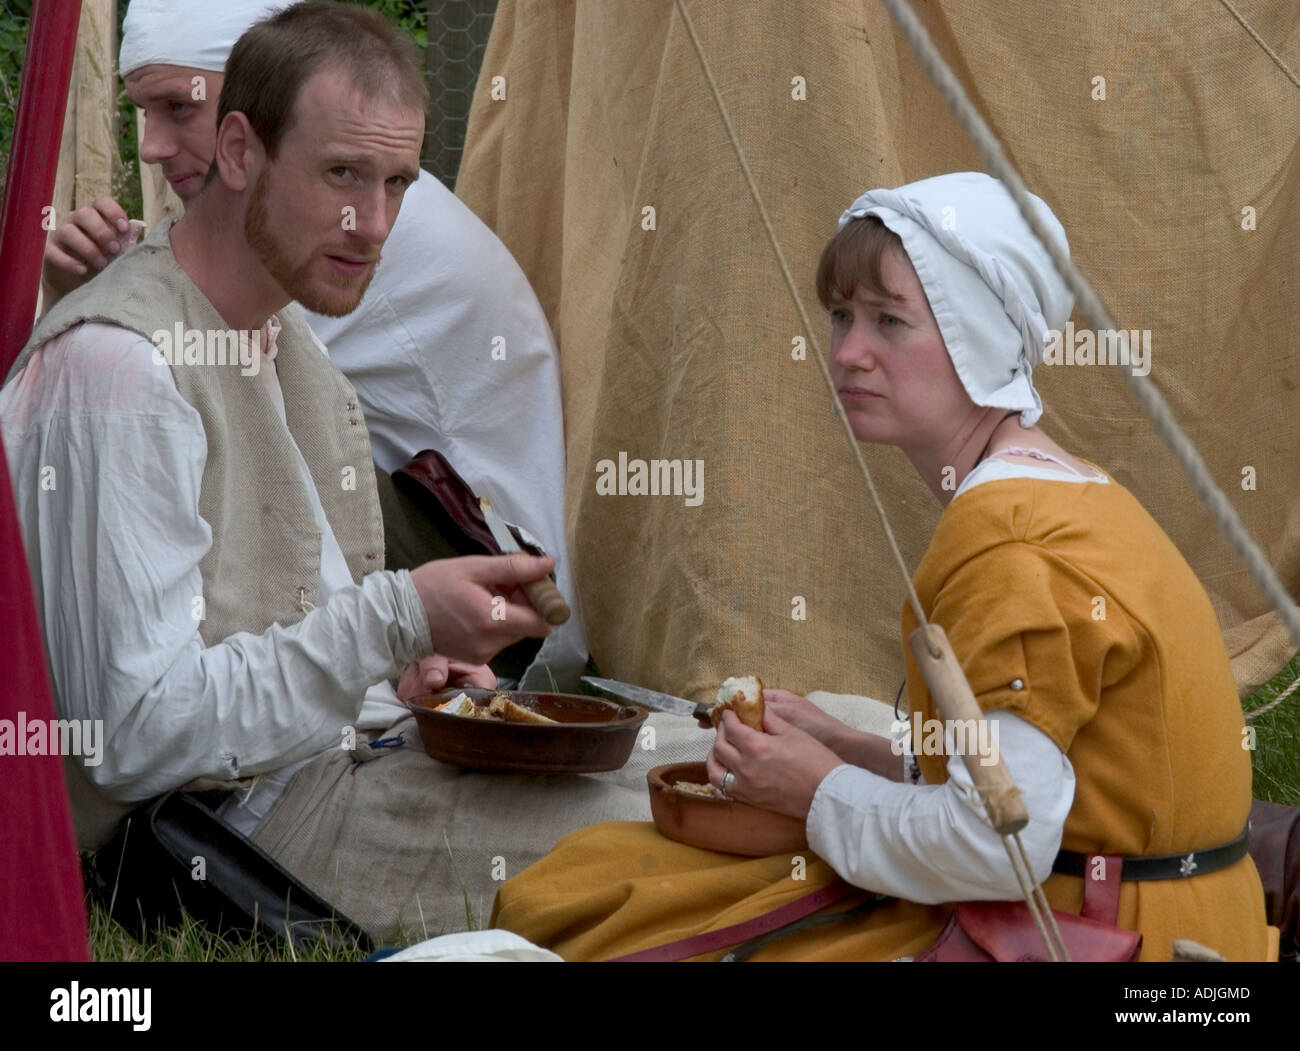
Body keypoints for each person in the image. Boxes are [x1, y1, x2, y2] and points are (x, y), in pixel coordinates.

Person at [490, 172, 1277, 962]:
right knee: (609, 876)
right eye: (841, 315)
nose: (848, 351)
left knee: (598, 909)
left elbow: (1002, 845)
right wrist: (853, 749)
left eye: (889, 321)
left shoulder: (1010, 544)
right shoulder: (1063, 485)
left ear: (979, 339)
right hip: (1136, 911)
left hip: (1113, 943)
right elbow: (1049, 771)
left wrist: (816, 787)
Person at [40, 0, 586, 691]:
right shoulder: (307, 224)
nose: (150, 144)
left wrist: (391, 638)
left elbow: (197, 358)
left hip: (493, 582)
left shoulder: (335, 237)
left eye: (179, 108)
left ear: (247, 123)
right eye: (143, 110)